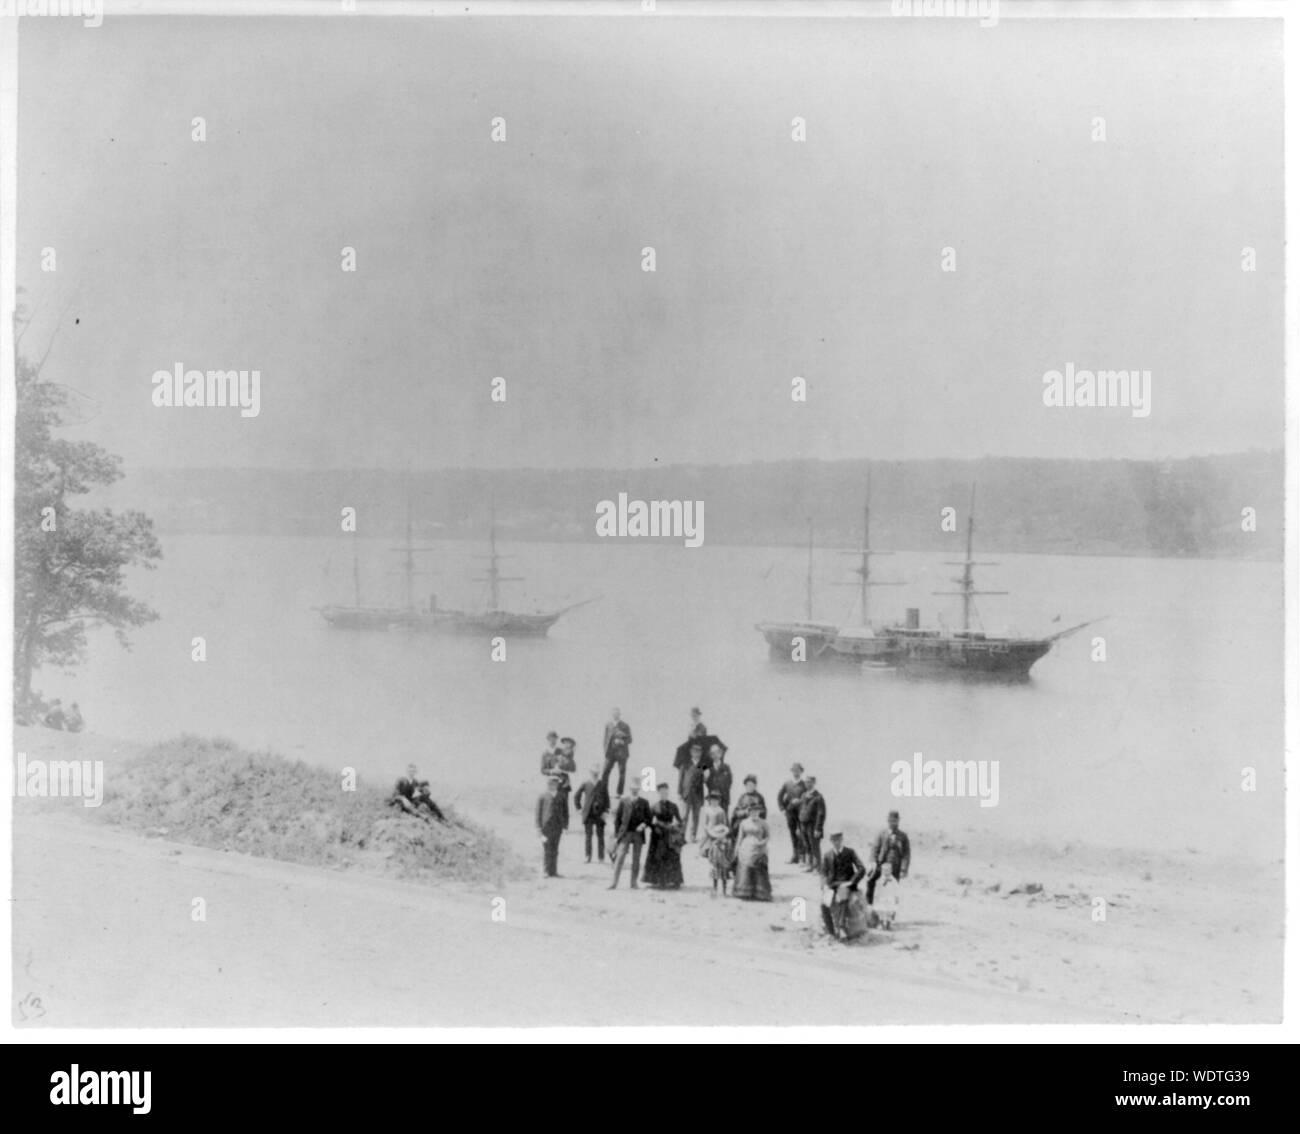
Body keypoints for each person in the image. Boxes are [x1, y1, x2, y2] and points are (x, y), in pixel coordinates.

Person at [819, 831, 867, 940]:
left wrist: (852, 881)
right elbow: (823, 872)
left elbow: (862, 868)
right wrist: (824, 885)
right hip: (832, 885)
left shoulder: (850, 852)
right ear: (831, 841)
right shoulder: (827, 855)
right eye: (834, 840)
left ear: (842, 840)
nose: (837, 843)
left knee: (841, 897)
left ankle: (840, 927)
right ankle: (830, 931)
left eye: (839, 840)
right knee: (823, 903)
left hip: (846, 883)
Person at [608, 782, 652, 890]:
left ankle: (633, 883)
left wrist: (643, 824)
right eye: (633, 788)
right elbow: (618, 819)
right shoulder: (623, 801)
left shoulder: (644, 802)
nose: (634, 790)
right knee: (620, 857)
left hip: (638, 834)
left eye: (636, 788)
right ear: (629, 788)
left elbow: (649, 818)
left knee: (636, 859)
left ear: (639, 789)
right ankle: (614, 882)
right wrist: (617, 836)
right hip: (625, 833)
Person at [643, 783, 684, 889]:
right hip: (658, 836)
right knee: (659, 857)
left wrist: (676, 826)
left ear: (668, 792)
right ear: (659, 793)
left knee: (673, 857)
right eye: (662, 792)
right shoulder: (654, 806)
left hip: (670, 835)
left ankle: (675, 881)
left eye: (666, 791)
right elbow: (649, 821)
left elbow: (680, 820)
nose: (664, 794)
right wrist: (654, 827)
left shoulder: (673, 806)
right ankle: (659, 881)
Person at [867, 810, 911, 903]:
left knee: (892, 890)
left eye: (894, 821)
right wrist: (873, 862)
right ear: (887, 821)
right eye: (890, 821)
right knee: (872, 883)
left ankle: (891, 914)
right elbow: (875, 848)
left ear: (898, 821)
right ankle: (870, 907)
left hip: (895, 868)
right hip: (880, 866)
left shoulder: (903, 836)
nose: (892, 823)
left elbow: (906, 854)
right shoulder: (882, 834)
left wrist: (903, 869)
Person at [733, 805, 772, 901]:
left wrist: (762, 842)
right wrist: (737, 848)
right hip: (746, 847)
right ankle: (745, 893)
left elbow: (768, 836)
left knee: (759, 869)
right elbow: (740, 837)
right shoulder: (744, 823)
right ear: (748, 812)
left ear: (759, 812)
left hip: (759, 848)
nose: (754, 813)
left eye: (756, 811)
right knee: (745, 868)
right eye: (752, 812)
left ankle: (760, 894)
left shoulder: (763, 823)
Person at [573, 766, 611, 863]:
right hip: (588, 814)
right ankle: (587, 856)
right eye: (593, 772)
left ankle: (601, 857)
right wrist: (579, 809)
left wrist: (606, 811)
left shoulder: (602, 784)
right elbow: (576, 796)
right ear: (590, 772)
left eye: (597, 772)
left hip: (600, 814)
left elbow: (607, 799)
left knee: (600, 836)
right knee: (588, 836)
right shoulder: (586, 783)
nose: (595, 774)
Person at [777, 763, 808, 865]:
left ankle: (803, 857)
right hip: (790, 813)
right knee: (793, 833)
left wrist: (800, 801)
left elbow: (808, 797)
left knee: (802, 833)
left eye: (798, 770)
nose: (796, 772)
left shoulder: (805, 784)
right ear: (792, 771)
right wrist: (782, 809)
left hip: (801, 813)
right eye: (794, 770)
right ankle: (795, 856)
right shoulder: (787, 784)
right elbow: (780, 796)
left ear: (801, 771)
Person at [536, 776, 566, 878]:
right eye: (550, 783)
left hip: (557, 827)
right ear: (548, 784)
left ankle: (553, 871)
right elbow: (538, 813)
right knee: (547, 849)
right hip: (546, 827)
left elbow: (565, 812)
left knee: (555, 849)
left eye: (555, 783)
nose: (552, 785)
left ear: (557, 784)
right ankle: (546, 870)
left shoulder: (561, 796)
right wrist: (538, 828)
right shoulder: (542, 796)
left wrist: (565, 825)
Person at [679, 743, 708, 841]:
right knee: (684, 816)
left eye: (699, 751)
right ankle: (682, 836)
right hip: (687, 794)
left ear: (701, 753)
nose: (696, 753)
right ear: (691, 752)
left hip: (698, 794)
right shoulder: (685, 764)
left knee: (696, 816)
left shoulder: (703, 765)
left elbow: (704, 780)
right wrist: (680, 793)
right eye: (694, 751)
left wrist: (706, 776)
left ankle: (693, 835)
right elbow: (680, 779)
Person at [798, 775, 826, 872]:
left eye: (809, 782)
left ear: (814, 783)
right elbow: (800, 810)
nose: (807, 784)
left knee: (814, 845)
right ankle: (809, 865)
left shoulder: (818, 797)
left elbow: (821, 814)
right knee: (806, 845)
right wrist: (799, 826)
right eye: (806, 782)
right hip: (803, 824)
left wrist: (818, 828)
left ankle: (817, 867)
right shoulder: (803, 795)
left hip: (813, 826)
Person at [601, 708, 633, 795]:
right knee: (605, 772)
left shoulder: (625, 726)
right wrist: (605, 751)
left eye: (617, 714)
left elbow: (630, 739)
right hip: (610, 753)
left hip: (622, 753)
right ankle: (604, 792)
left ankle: (619, 793)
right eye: (614, 714)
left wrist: (622, 742)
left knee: (621, 773)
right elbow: (605, 739)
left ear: (620, 714)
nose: (615, 715)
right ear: (612, 715)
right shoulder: (608, 725)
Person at [730, 775, 767, 839]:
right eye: (747, 785)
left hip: (755, 821)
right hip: (742, 821)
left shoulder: (759, 797)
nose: (749, 787)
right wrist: (745, 812)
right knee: (735, 828)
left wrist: (753, 813)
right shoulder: (742, 797)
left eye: (751, 785)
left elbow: (764, 812)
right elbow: (736, 811)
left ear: (755, 786)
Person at [872, 860, 902, 929]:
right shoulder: (879, 880)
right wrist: (876, 897)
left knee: (889, 912)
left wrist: (896, 897)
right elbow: (877, 890)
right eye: (884, 870)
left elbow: (896, 889)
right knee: (881, 912)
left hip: (890, 898)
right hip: (882, 898)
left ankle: (888, 924)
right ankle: (881, 923)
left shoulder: (893, 880)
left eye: (887, 870)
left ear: (891, 871)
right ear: (881, 871)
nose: (885, 872)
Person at [707, 745, 733, 813]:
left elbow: (729, 782)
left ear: (721, 754)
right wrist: (706, 777)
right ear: (710, 756)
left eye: (717, 753)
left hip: (724, 797)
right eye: (713, 754)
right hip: (713, 797)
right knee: (713, 816)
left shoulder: (726, 767)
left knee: (724, 817)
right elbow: (708, 783)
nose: (715, 755)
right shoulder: (709, 768)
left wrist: (722, 790)